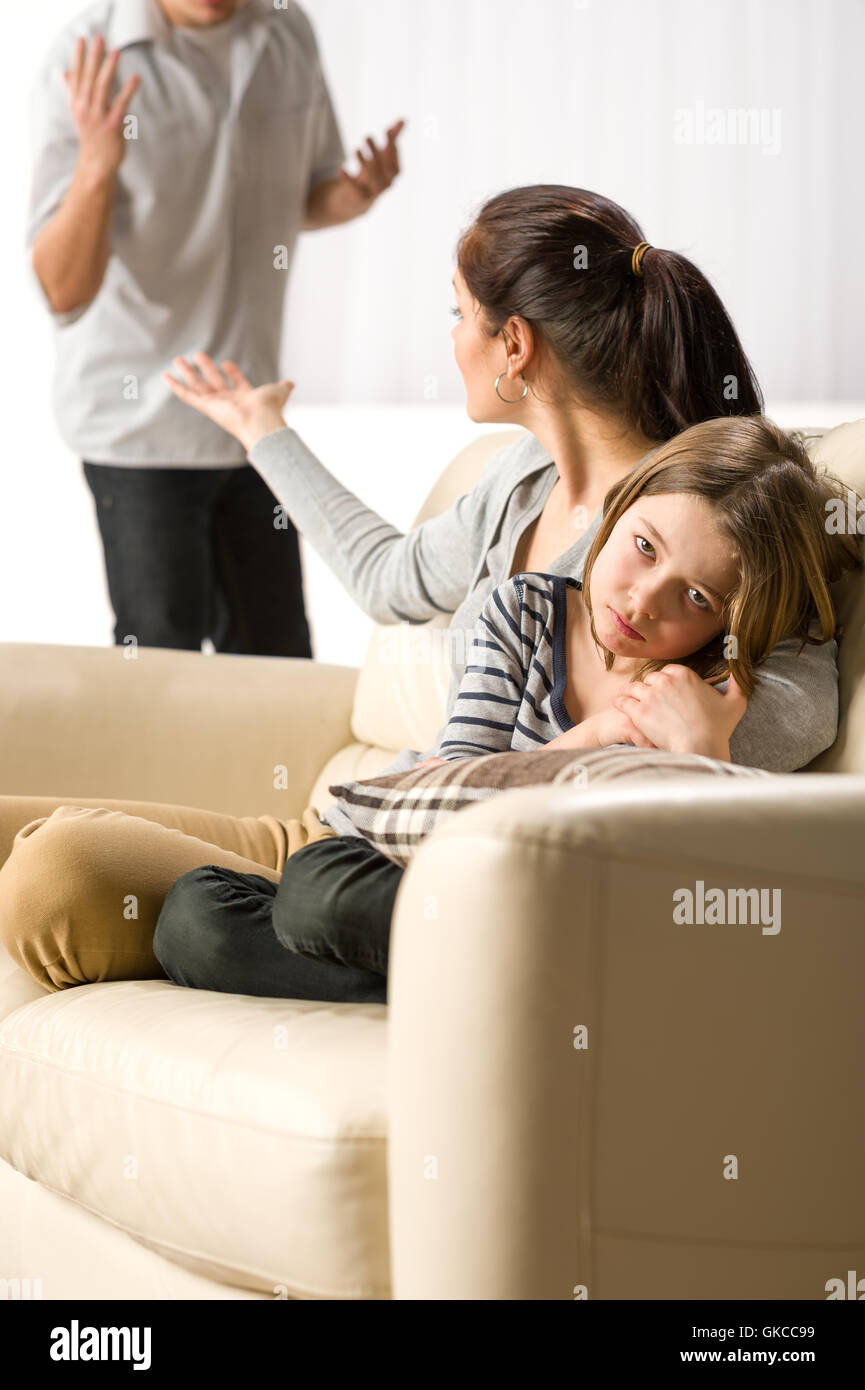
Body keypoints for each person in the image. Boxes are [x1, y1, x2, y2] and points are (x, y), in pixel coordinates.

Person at [0, 186, 845, 998]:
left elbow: (782, 704)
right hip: (356, 828)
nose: (449, 339)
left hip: (444, 868)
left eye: (456, 314)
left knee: (58, 875)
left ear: (513, 345)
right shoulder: (518, 483)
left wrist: (672, 740)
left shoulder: (710, 522)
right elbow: (386, 578)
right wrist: (264, 431)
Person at [150, 414, 862, 992]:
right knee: (200, 913)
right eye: (643, 547)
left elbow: (708, 870)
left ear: (730, 620)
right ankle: (482, 985)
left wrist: (704, 754)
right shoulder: (523, 612)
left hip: (576, 908)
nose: (643, 602)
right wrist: (597, 734)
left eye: (696, 597)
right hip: (449, 878)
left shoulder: (718, 698)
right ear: (617, 509)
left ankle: (489, 977)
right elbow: (453, 779)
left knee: (317, 894)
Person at [26, 0, 404, 655]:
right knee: (163, 666)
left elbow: (302, 194)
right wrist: (95, 167)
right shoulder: (86, 57)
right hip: (141, 429)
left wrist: (352, 195)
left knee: (277, 656)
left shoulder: (287, 30)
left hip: (249, 419)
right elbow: (63, 289)